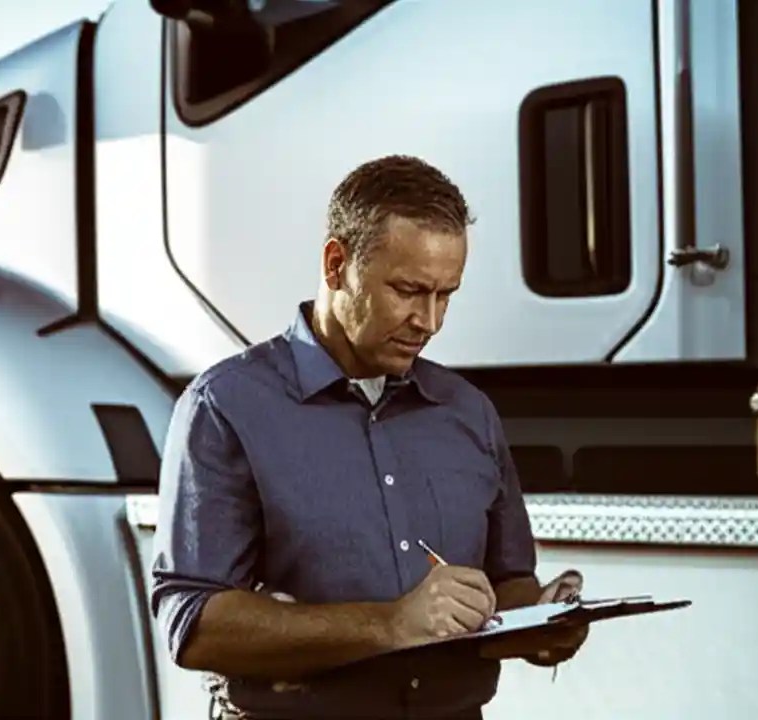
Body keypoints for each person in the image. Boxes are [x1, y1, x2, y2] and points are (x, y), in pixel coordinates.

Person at [150, 154, 589, 720]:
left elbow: (507, 584)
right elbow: (192, 623)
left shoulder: (469, 414)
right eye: (407, 290)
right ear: (336, 264)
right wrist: (391, 624)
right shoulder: (227, 408)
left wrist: (542, 622)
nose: (428, 321)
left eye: (446, 294)